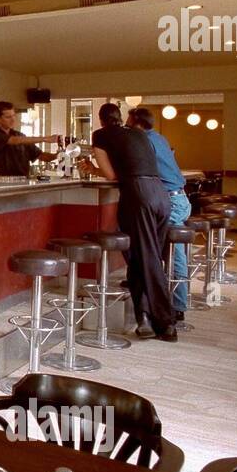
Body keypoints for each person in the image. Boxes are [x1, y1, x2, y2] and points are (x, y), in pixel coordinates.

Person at [80, 102, 177, 341]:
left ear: (101, 120)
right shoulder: (137, 133)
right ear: (120, 117)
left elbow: (112, 175)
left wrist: (91, 169)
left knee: (147, 258)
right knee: (142, 257)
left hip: (138, 195)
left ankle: (166, 323)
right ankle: (144, 319)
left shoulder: (100, 135)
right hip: (160, 195)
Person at [128, 107, 192, 320]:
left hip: (171, 200)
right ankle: (147, 284)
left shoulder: (143, 141)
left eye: (128, 118)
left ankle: (177, 305)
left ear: (135, 121)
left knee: (174, 253)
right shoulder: (159, 138)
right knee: (164, 249)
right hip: (178, 197)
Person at [0, 102, 59, 176]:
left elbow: (40, 155)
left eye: (13, 116)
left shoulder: (20, 135)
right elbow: (13, 140)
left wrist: (57, 155)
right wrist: (44, 139)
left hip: (22, 181)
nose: (13, 119)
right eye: (8, 117)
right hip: (0, 182)